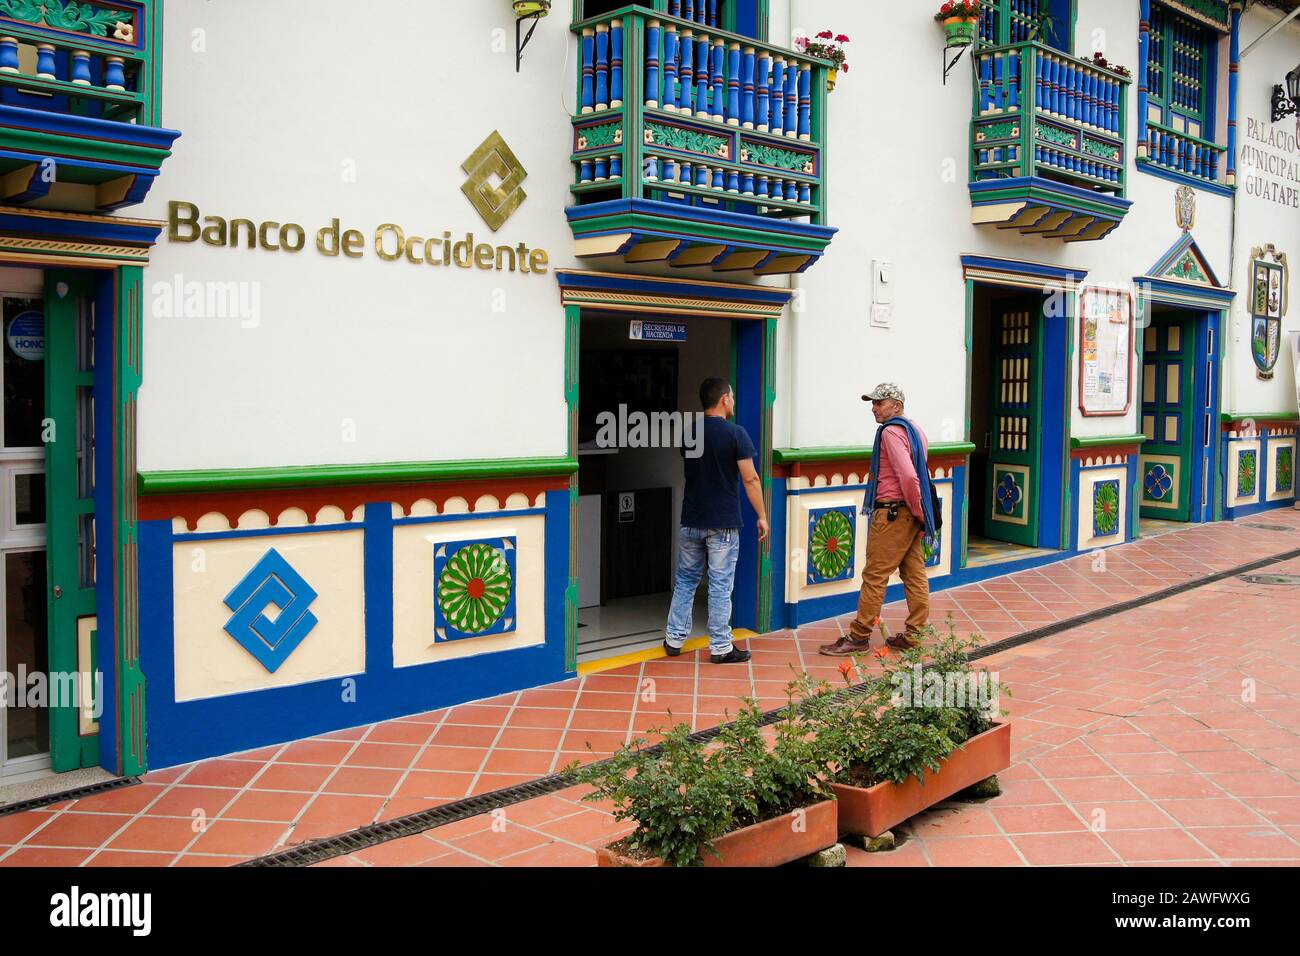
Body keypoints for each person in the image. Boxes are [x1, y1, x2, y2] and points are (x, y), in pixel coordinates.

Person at [821, 383, 937, 656]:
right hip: (911, 513)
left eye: (879, 402)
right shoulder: (916, 429)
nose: (873, 408)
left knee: (875, 576)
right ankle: (915, 635)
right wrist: (921, 515)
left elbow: (909, 476)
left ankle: (859, 636)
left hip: (894, 513)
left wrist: (917, 512)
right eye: (872, 403)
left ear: (896, 405)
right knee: (914, 574)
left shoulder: (890, 433)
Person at [664, 378, 770, 664]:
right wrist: (761, 515)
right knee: (721, 585)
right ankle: (722, 647)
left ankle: (674, 638)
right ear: (724, 399)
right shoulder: (736, 434)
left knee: (685, 580)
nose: (733, 401)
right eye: (732, 396)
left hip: (691, 519)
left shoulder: (690, 434)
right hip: (722, 523)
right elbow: (750, 478)